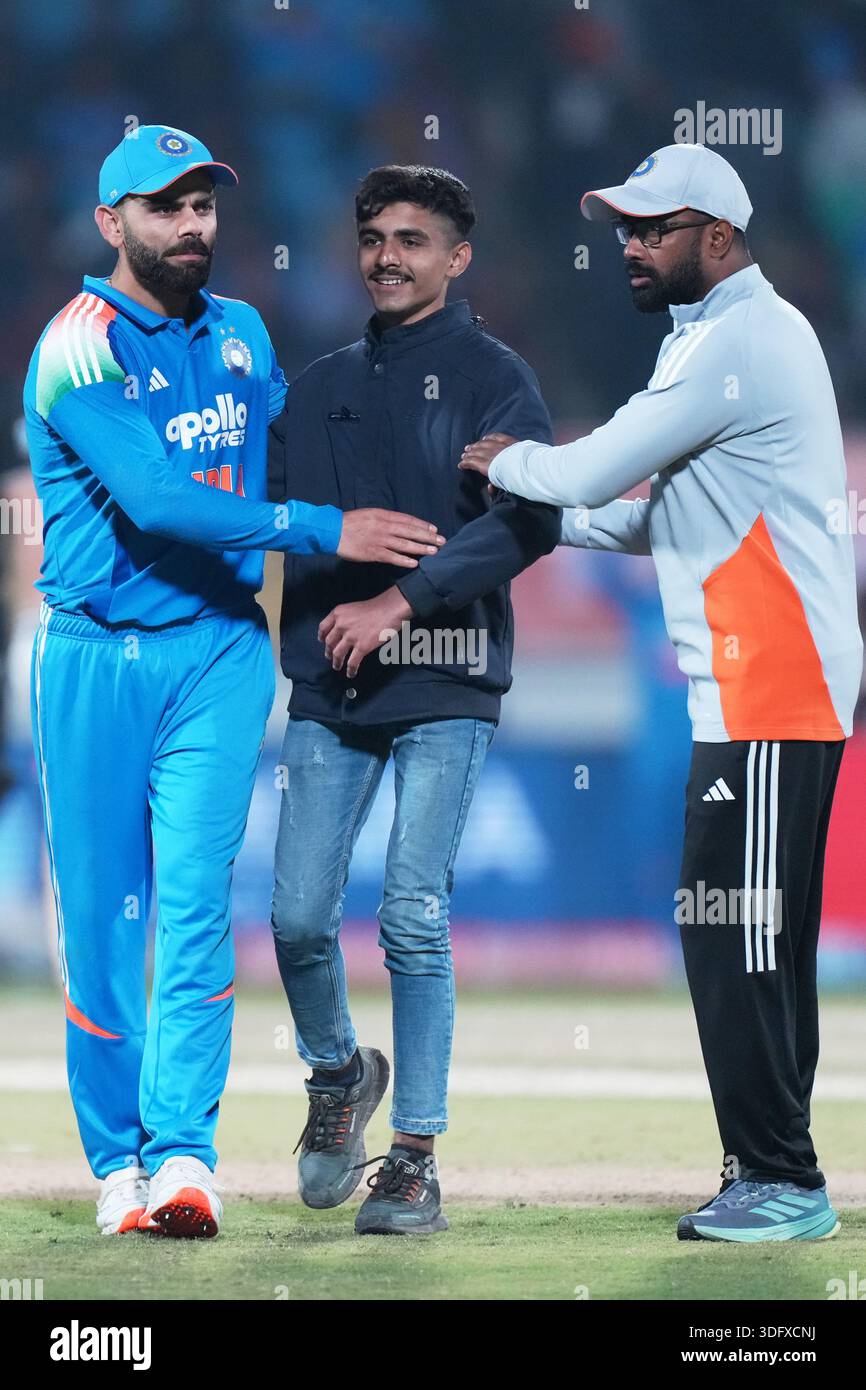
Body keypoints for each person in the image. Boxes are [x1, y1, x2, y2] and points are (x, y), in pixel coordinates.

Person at [23, 126, 443, 1240]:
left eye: (204, 204)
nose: (192, 225)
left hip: (218, 650)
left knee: (198, 910)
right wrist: (319, 528)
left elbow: (305, 450)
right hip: (95, 659)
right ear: (111, 223)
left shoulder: (247, 334)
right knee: (108, 925)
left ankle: (183, 1157)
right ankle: (116, 1165)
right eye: (166, 208)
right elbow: (158, 498)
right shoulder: (76, 347)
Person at [460, 143, 863, 1243]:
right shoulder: (720, 341)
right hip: (755, 686)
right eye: (624, 227)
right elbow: (661, 514)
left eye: (651, 227)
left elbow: (587, 469)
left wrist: (502, 466)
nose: (627, 245)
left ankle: (781, 1178)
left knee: (734, 939)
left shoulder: (737, 342)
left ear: (718, 239)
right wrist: (553, 514)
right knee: (748, 941)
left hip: (768, 684)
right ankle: (773, 1170)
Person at [267, 165, 560, 1235]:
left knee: (409, 913)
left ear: (456, 256)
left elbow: (532, 526)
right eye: (373, 239)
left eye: (411, 240)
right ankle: (341, 1071)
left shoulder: (496, 378)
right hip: (331, 684)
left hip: (443, 670)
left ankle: (414, 1157)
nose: (387, 257)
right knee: (296, 917)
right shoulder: (315, 383)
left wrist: (402, 597)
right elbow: (271, 517)